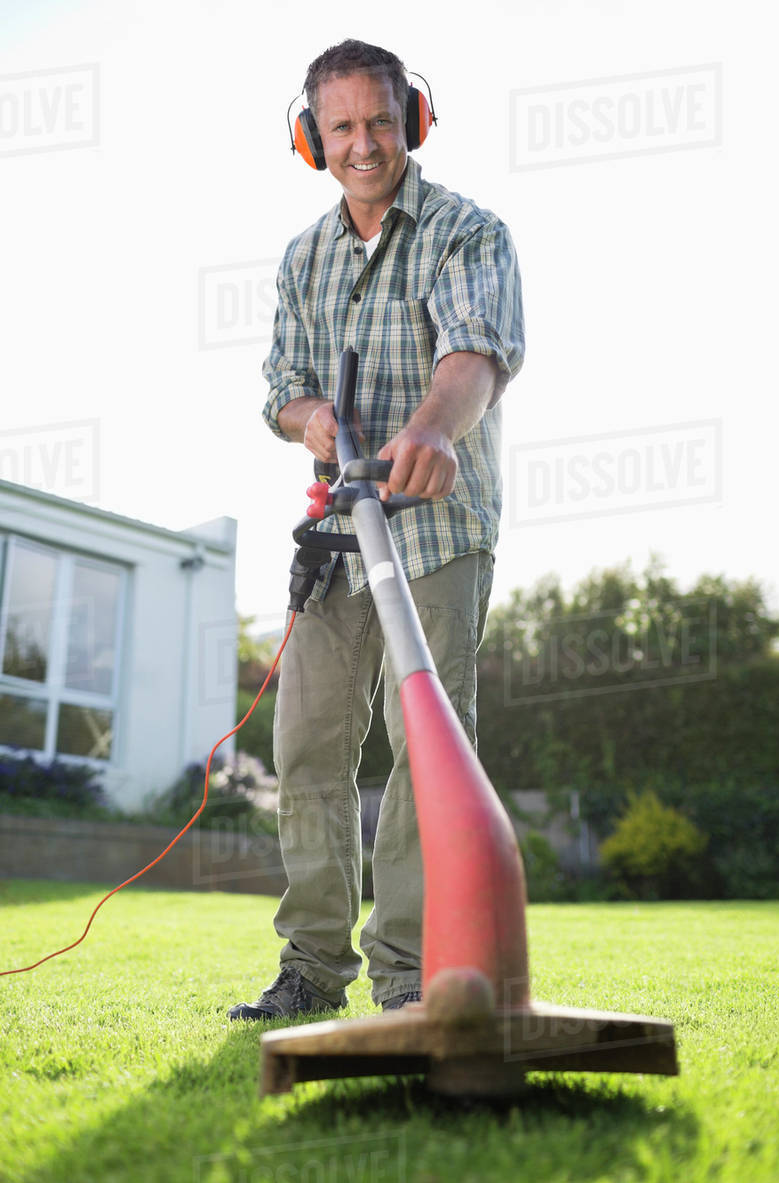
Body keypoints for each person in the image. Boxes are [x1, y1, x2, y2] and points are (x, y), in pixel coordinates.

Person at [228, 38, 524, 1021]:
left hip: (434, 533)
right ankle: (311, 968)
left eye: (379, 123)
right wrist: (309, 418)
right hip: (335, 537)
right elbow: (280, 391)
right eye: (342, 127)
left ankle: (408, 979)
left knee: (424, 751)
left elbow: (472, 357)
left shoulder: (464, 232)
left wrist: (432, 430)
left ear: (414, 124)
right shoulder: (304, 257)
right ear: (313, 137)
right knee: (308, 746)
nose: (363, 145)